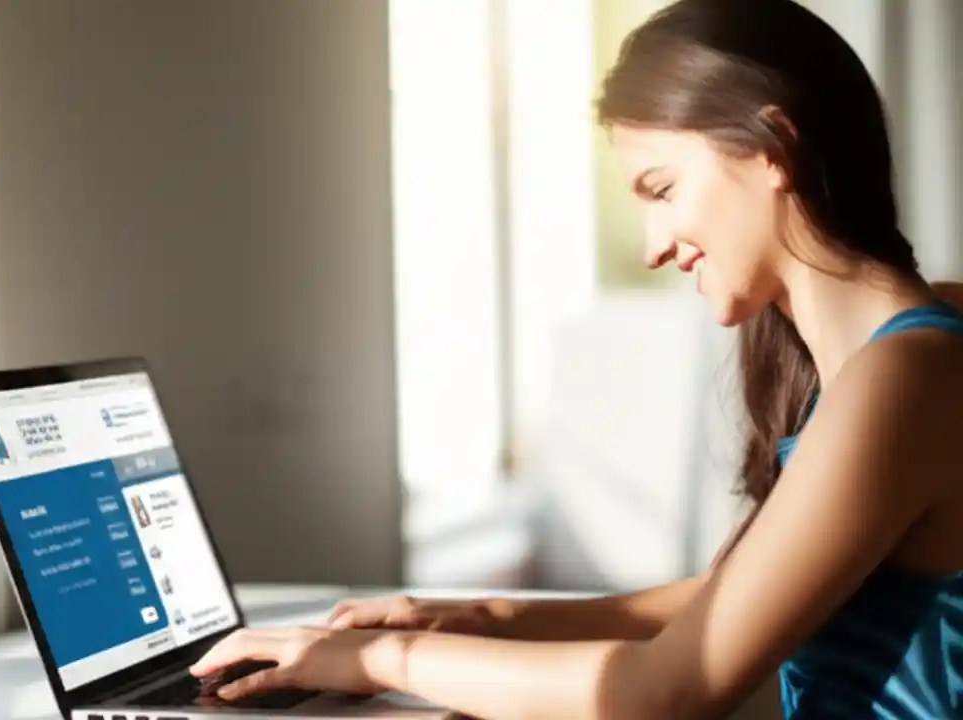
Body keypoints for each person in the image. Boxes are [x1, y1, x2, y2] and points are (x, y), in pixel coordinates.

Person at [189, 1, 963, 717]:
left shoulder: (906, 376)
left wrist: (379, 659)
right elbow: (737, 595)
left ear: (773, 149)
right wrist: (485, 618)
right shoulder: (909, 347)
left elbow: (664, 690)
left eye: (661, 189)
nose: (653, 245)